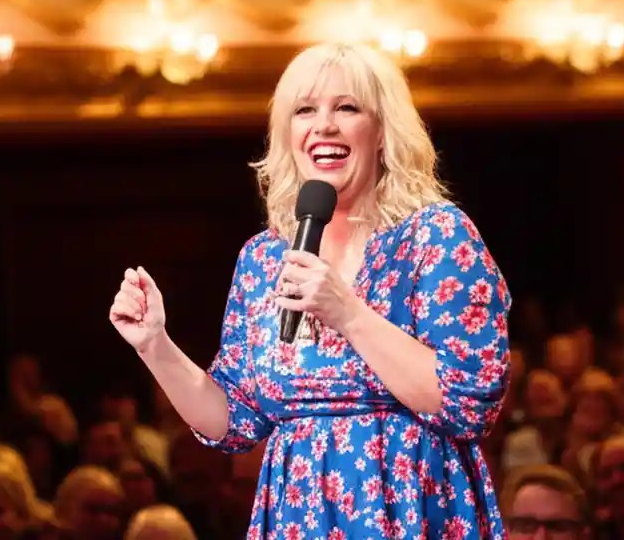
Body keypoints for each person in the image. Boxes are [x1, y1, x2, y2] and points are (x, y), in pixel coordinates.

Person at [109, 42, 511, 538]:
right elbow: (232, 419)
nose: (324, 125)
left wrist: (348, 313)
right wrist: (155, 345)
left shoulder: (436, 236)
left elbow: (469, 400)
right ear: (288, 136)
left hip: (411, 502)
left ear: (383, 132)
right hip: (300, 512)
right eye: (305, 110)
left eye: (346, 108)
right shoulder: (263, 258)